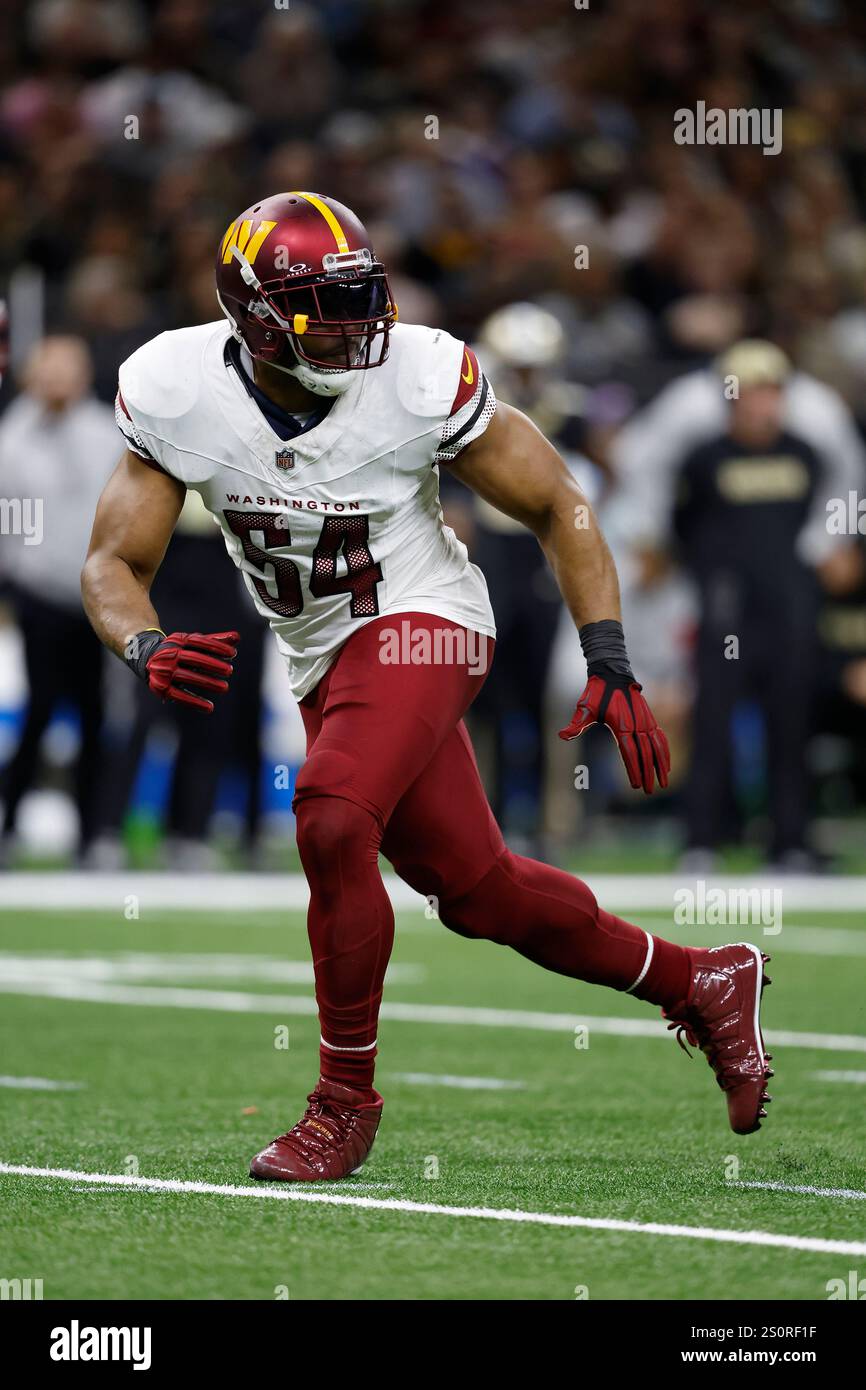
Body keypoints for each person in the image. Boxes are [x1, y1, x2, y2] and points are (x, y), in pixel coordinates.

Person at [81, 192, 774, 1182]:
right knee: (478, 891)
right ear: (255, 316)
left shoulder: (416, 376)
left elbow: (556, 503)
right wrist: (140, 643)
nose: (355, 322)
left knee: (326, 816)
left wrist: (607, 653)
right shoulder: (179, 388)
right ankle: (701, 979)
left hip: (425, 623)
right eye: (322, 304)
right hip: (323, 654)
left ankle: (341, 1103)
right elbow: (112, 560)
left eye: (360, 293)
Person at [673, 343, 824, 868]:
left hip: (788, 608)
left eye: (773, 391)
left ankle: (790, 841)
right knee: (713, 722)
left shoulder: (805, 454)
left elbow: (812, 528)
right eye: (757, 391)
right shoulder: (704, 457)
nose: (766, 403)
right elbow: (683, 529)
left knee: (790, 724)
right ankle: (703, 839)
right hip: (726, 610)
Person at [0, 336, 117, 862]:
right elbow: (11, 520)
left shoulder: (105, 432)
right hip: (40, 593)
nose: (56, 380)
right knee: (41, 710)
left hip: (96, 594)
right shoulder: (13, 437)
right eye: (48, 369)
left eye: (67, 369)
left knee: (95, 715)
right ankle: (9, 824)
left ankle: (92, 835)